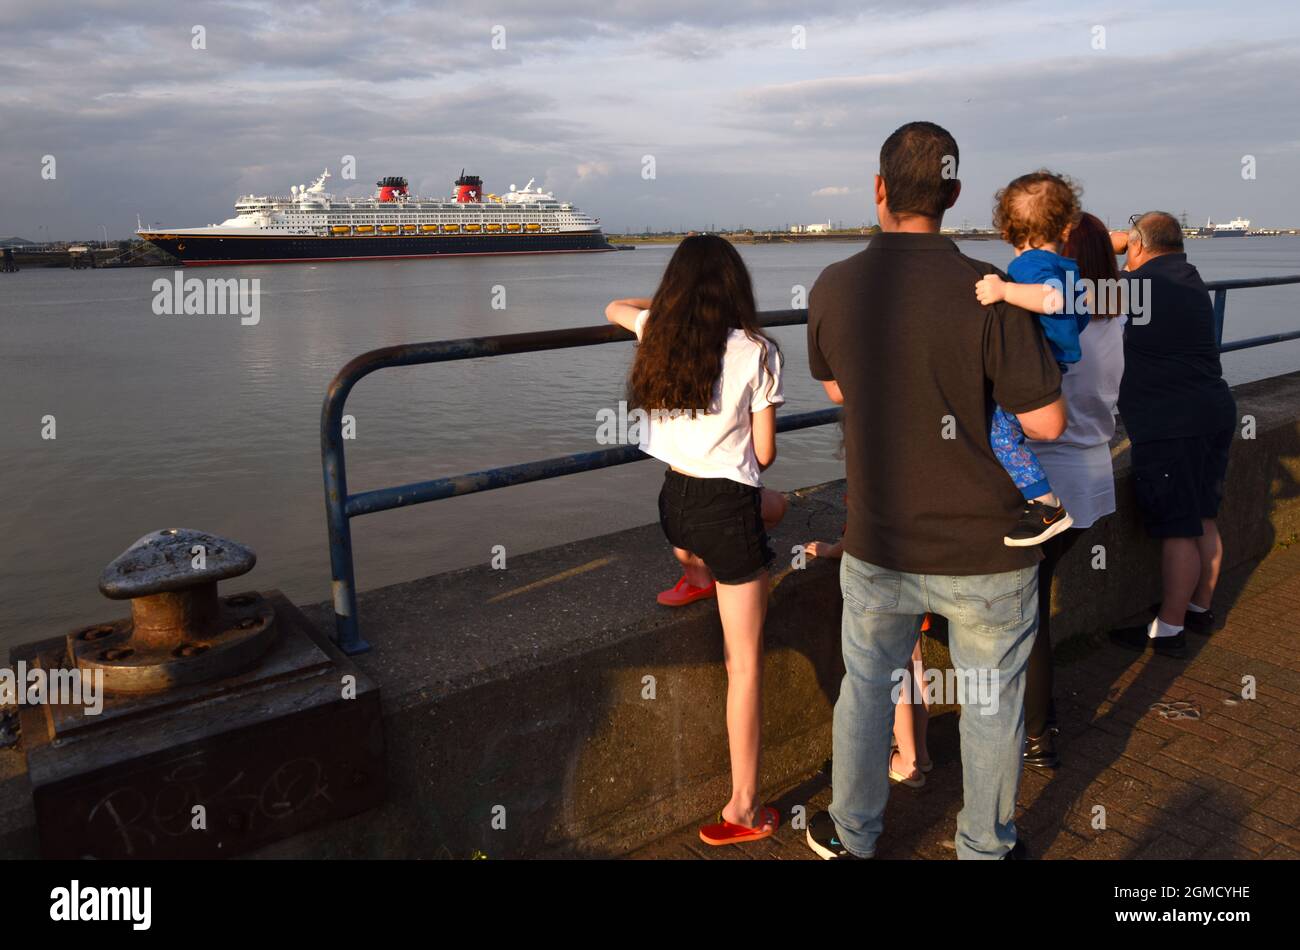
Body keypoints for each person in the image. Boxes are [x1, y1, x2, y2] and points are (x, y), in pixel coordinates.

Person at [802, 121, 1066, 860]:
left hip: (881, 537)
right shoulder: (990, 291)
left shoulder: (832, 284)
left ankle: (852, 832)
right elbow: (1045, 423)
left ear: (879, 190)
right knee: (989, 702)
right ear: (952, 195)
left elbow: (838, 384)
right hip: (987, 545)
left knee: (867, 688)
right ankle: (984, 844)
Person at [605, 234, 788, 846]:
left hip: (673, 510)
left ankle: (694, 575)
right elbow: (763, 452)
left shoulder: (657, 331)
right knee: (744, 667)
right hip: (726, 511)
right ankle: (742, 809)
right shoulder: (757, 350)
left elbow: (613, 307)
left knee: (768, 511)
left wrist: (661, 307)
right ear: (737, 287)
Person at [1021, 211, 1126, 769]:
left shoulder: (1056, 320)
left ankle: (1038, 731)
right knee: (1030, 601)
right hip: (1091, 480)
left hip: (1046, 483)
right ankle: (1037, 721)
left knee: (1025, 610)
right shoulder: (1112, 316)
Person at [1106, 212, 1236, 657]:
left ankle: (1170, 630)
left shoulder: (1142, 288)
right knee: (1203, 517)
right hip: (1213, 410)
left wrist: (1108, 248)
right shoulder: (1188, 277)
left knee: (1178, 529)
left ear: (1140, 245)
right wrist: (1132, 249)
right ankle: (1200, 608)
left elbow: (1068, 296)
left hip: (1171, 421)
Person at [974, 171, 1088, 546]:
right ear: (1066, 227)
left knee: (1001, 435)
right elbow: (1076, 312)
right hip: (1056, 363)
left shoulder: (1028, 268)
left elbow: (1051, 300)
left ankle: (1045, 504)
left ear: (1006, 229)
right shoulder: (1067, 267)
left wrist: (1004, 290)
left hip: (1036, 366)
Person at [804, 533, 935, 786]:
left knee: (892, 665)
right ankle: (922, 752)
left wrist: (833, 550)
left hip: (884, 569)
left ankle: (908, 763)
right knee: (915, 657)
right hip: (919, 561)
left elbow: (863, 524)